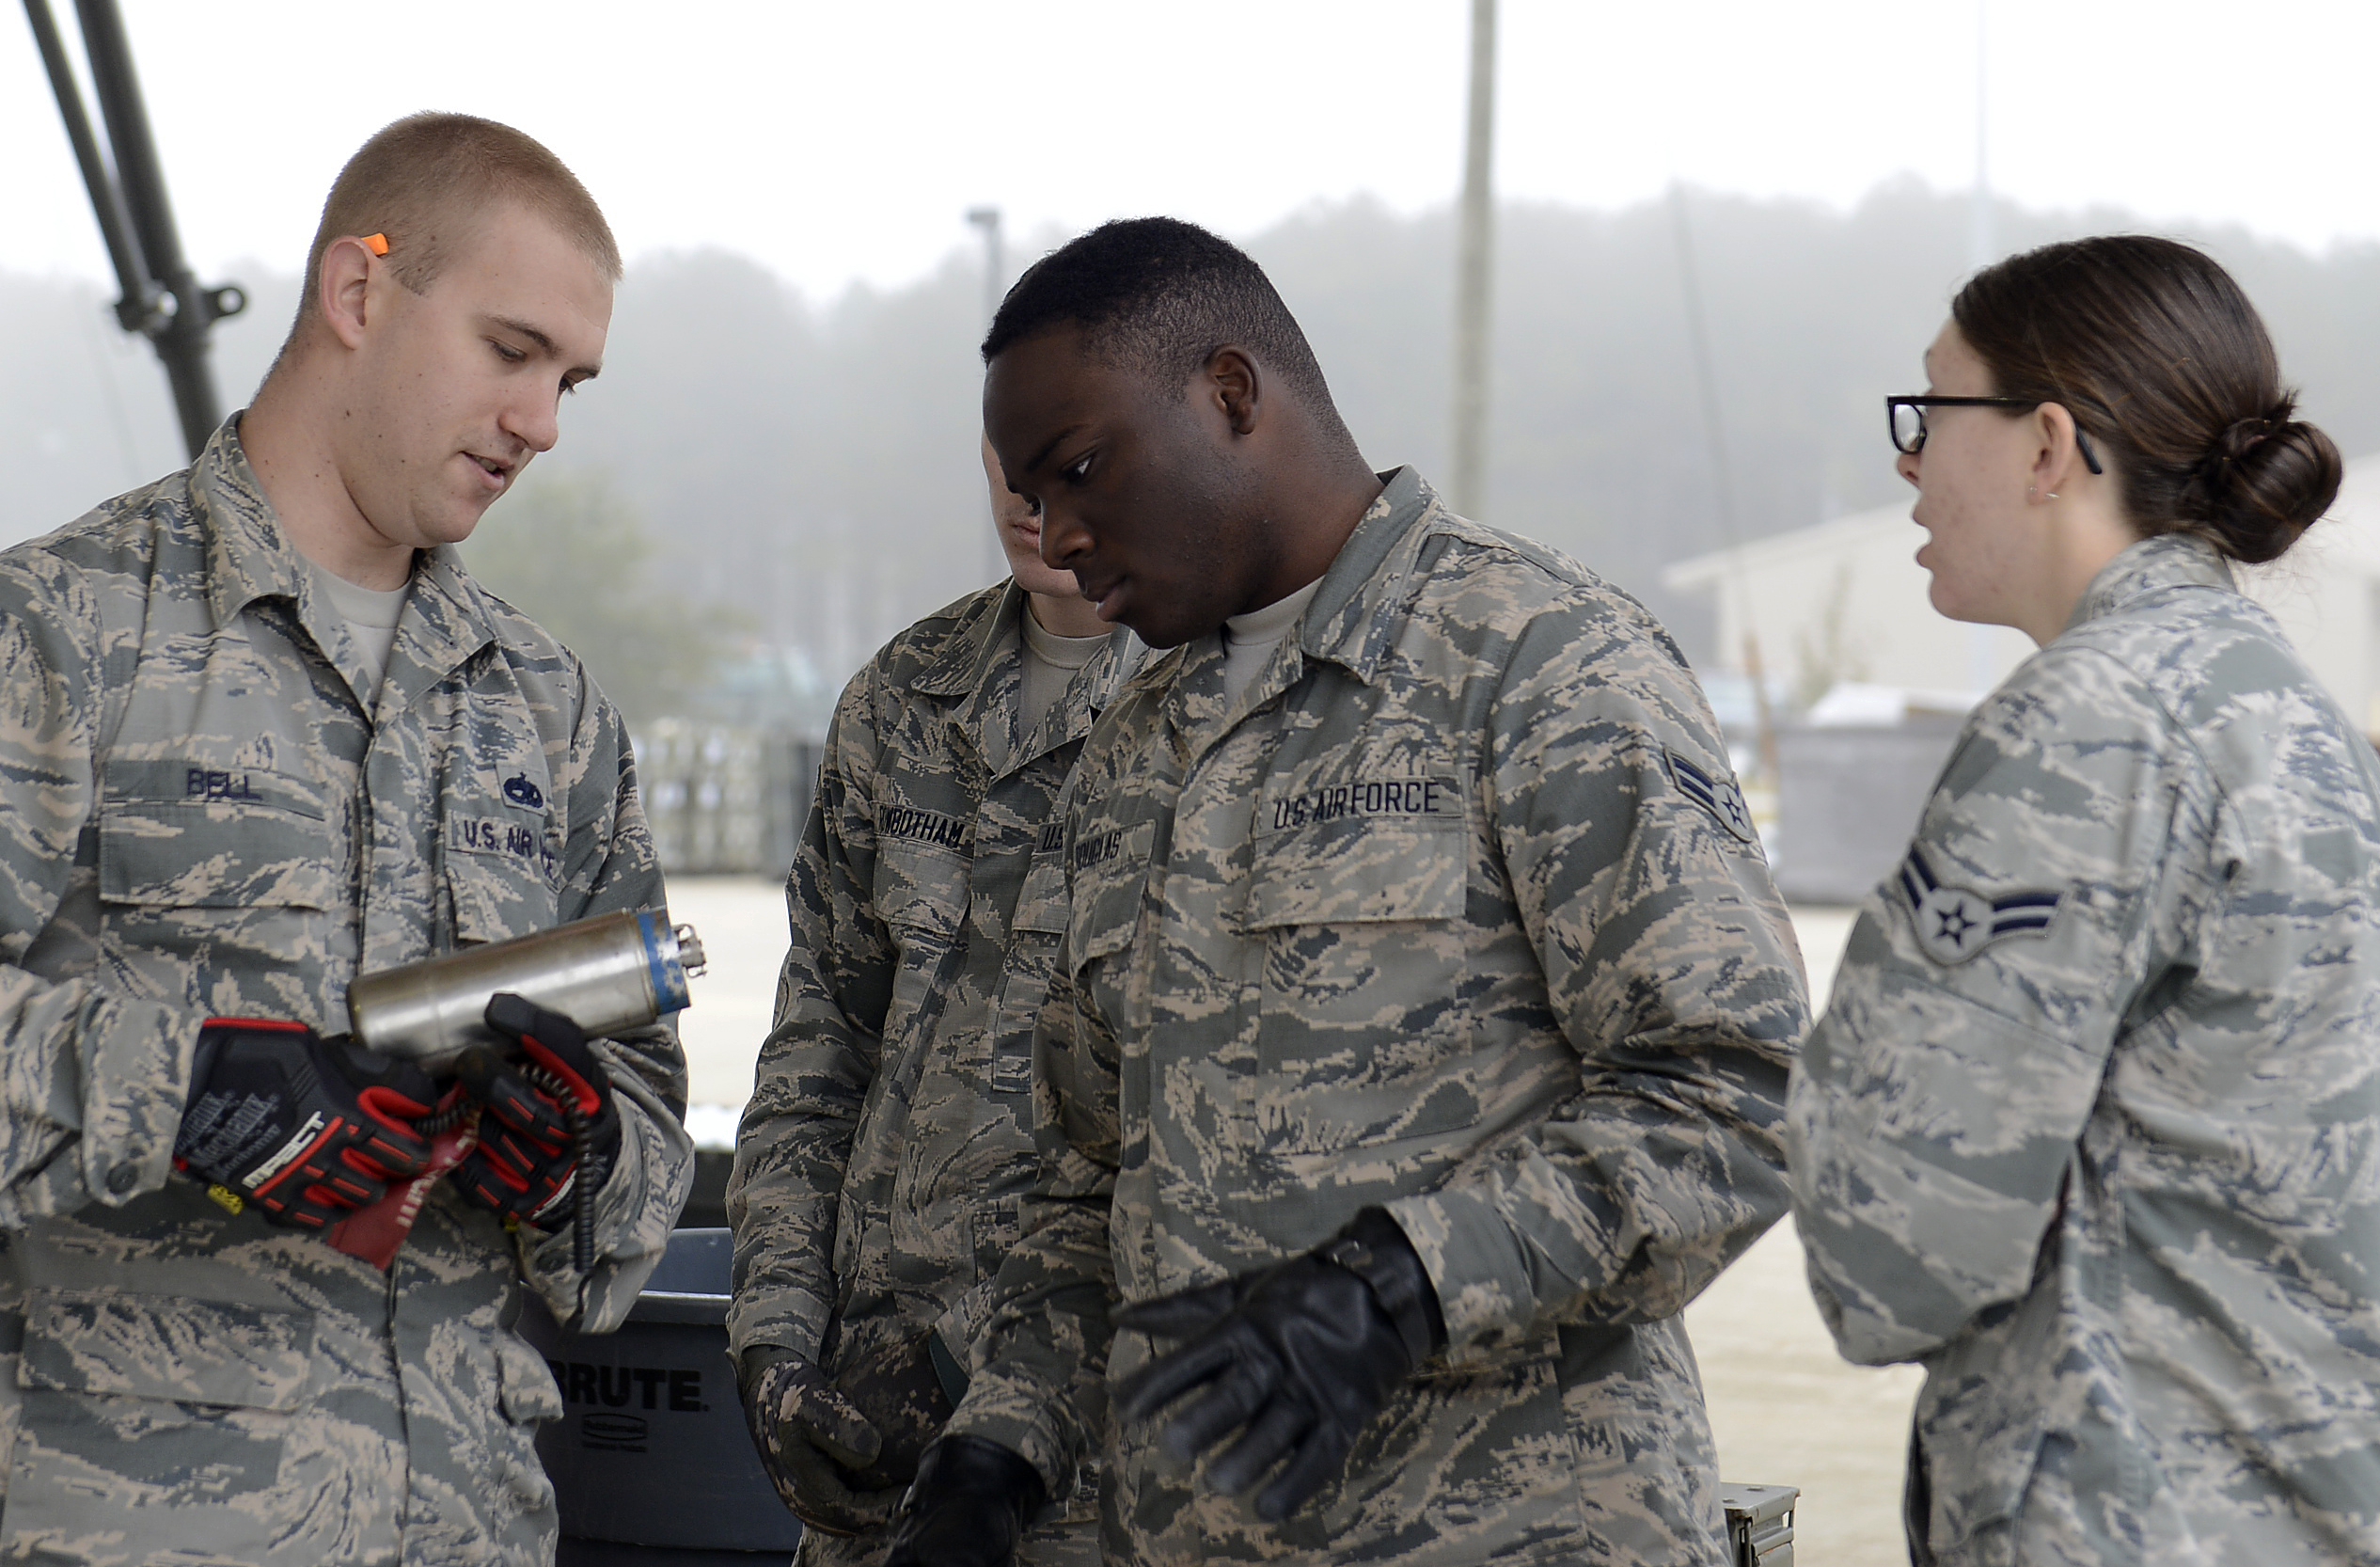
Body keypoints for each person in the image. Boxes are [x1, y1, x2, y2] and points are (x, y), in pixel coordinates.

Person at [884, 217, 1809, 1567]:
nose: (1054, 531)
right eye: (1028, 492)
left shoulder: (1539, 663)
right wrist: (997, 1451)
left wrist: (1404, 1286)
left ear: (1230, 393)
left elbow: (1736, 1096)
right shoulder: (1139, 746)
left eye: (1080, 467)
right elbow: (1097, 1182)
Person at [0, 113, 692, 1563]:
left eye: (570, 380)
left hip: (466, 1523)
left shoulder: (551, 717)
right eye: (511, 351)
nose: (543, 422)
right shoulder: (61, 638)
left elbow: (637, 1178)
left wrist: (573, 1161)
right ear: (358, 292)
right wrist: (186, 1092)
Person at [1787, 235, 2380, 1565]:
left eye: (1929, 415)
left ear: (2045, 445)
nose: (1905, 462)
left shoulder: (2090, 724)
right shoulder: (2279, 706)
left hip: (2123, 1512)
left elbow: (1892, 1252)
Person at [727, 437, 1144, 1565]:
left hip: (1120, 1469)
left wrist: (973, 1372)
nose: (1028, 496)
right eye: (1007, 456)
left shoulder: (1227, 711)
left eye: (1075, 457)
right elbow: (818, 1048)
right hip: (876, 1440)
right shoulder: (908, 695)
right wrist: (774, 1339)